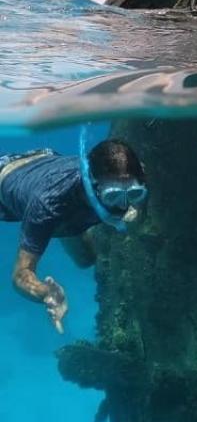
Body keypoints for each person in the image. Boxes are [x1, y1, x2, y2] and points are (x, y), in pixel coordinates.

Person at [1, 138, 147, 333]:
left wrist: (137, 206)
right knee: (60, 221)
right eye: (112, 196)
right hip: (8, 180)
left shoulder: (135, 175)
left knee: (86, 259)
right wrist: (45, 292)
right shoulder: (47, 205)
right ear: (91, 184)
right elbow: (20, 275)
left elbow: (133, 197)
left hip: (47, 160)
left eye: (134, 193)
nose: (122, 206)